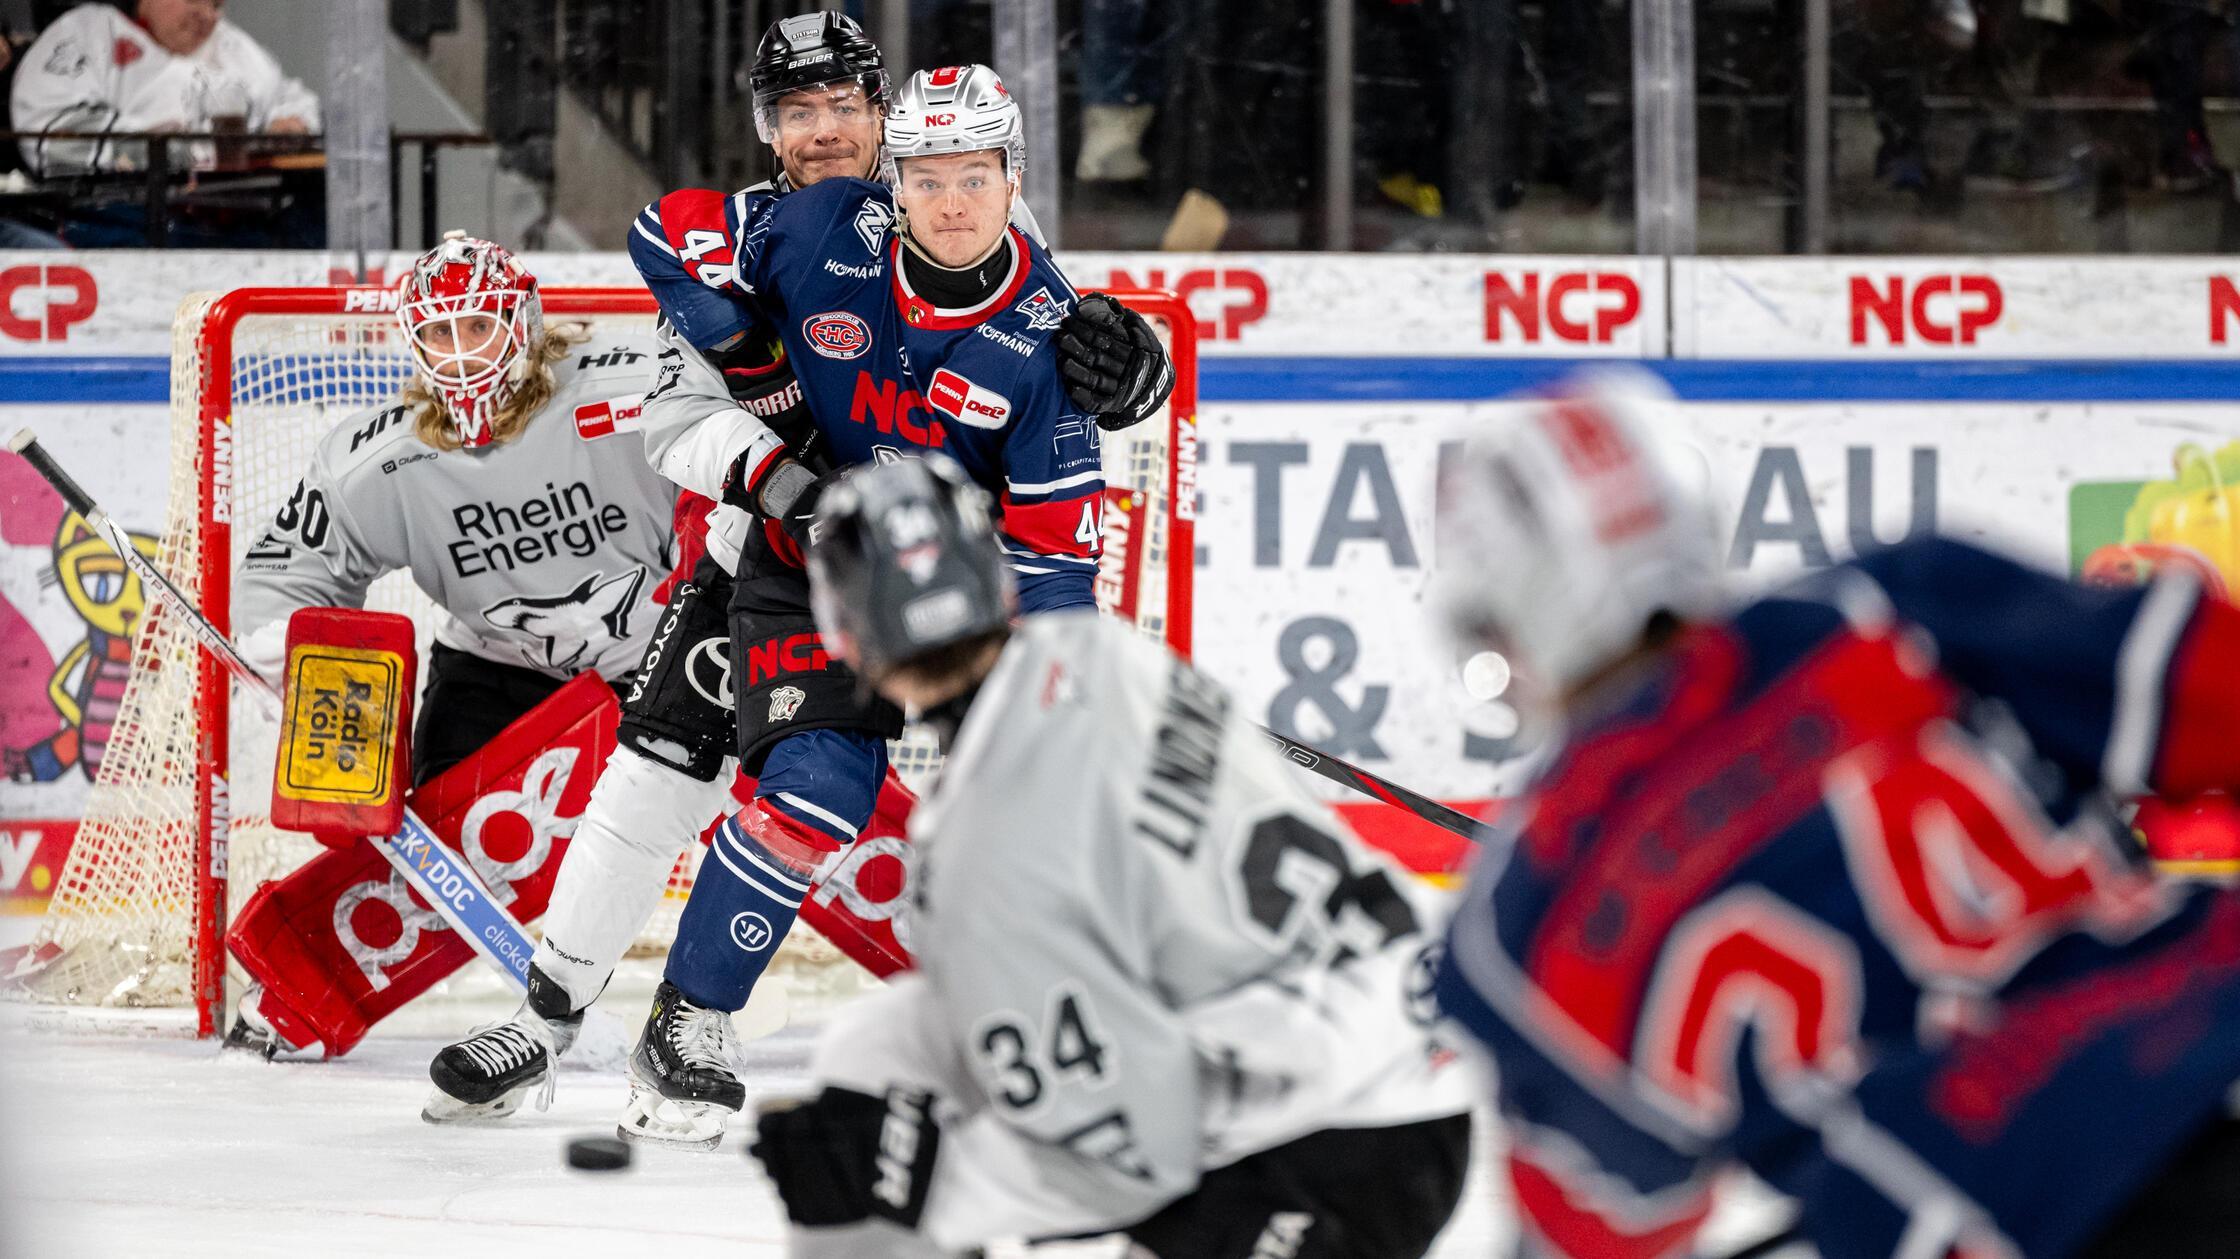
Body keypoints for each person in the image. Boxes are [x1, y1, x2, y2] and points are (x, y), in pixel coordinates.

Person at [424, 26, 1172, 1147]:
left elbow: (1049, 382)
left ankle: (720, 1011)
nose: (823, 129)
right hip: (755, 553)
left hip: (916, 592)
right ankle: (545, 1017)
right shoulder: (775, 235)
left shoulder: (960, 212)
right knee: (652, 776)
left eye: (842, 107)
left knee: (864, 785)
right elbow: (677, 412)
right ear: (770, 133)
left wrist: (1136, 368)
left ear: (885, 119)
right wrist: (793, 478)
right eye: (795, 111)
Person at [1430, 371, 2240, 1258]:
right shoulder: (1877, 608)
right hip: (2209, 1049)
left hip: (1988, 1215)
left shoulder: (1513, 939)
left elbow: (1596, 1235)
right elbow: (2211, 688)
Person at [741, 455, 1472, 1258]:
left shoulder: (987, 861)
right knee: (883, 1042)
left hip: (1342, 1146)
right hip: (1401, 1036)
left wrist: (909, 1182)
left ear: (845, 632)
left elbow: (1131, 1153)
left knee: (881, 1165)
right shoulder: (1103, 653)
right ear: (995, 573)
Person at [224, 231, 681, 1053]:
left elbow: (737, 481)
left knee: (777, 803)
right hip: (498, 667)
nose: (461, 354)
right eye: (439, 333)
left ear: (525, 319)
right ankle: (299, 987)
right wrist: (289, 665)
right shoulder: (385, 460)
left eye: (478, 327)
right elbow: (287, 574)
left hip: (659, 659)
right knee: (449, 848)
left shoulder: (631, 393)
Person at [10, 0, 318, 176]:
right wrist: (168, 153)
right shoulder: (89, 31)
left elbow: (291, 98)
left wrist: (291, 122)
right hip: (119, 217)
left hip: (239, 214)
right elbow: (49, 132)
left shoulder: (231, 45)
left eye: (217, 4)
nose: (209, 15)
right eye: (195, 0)